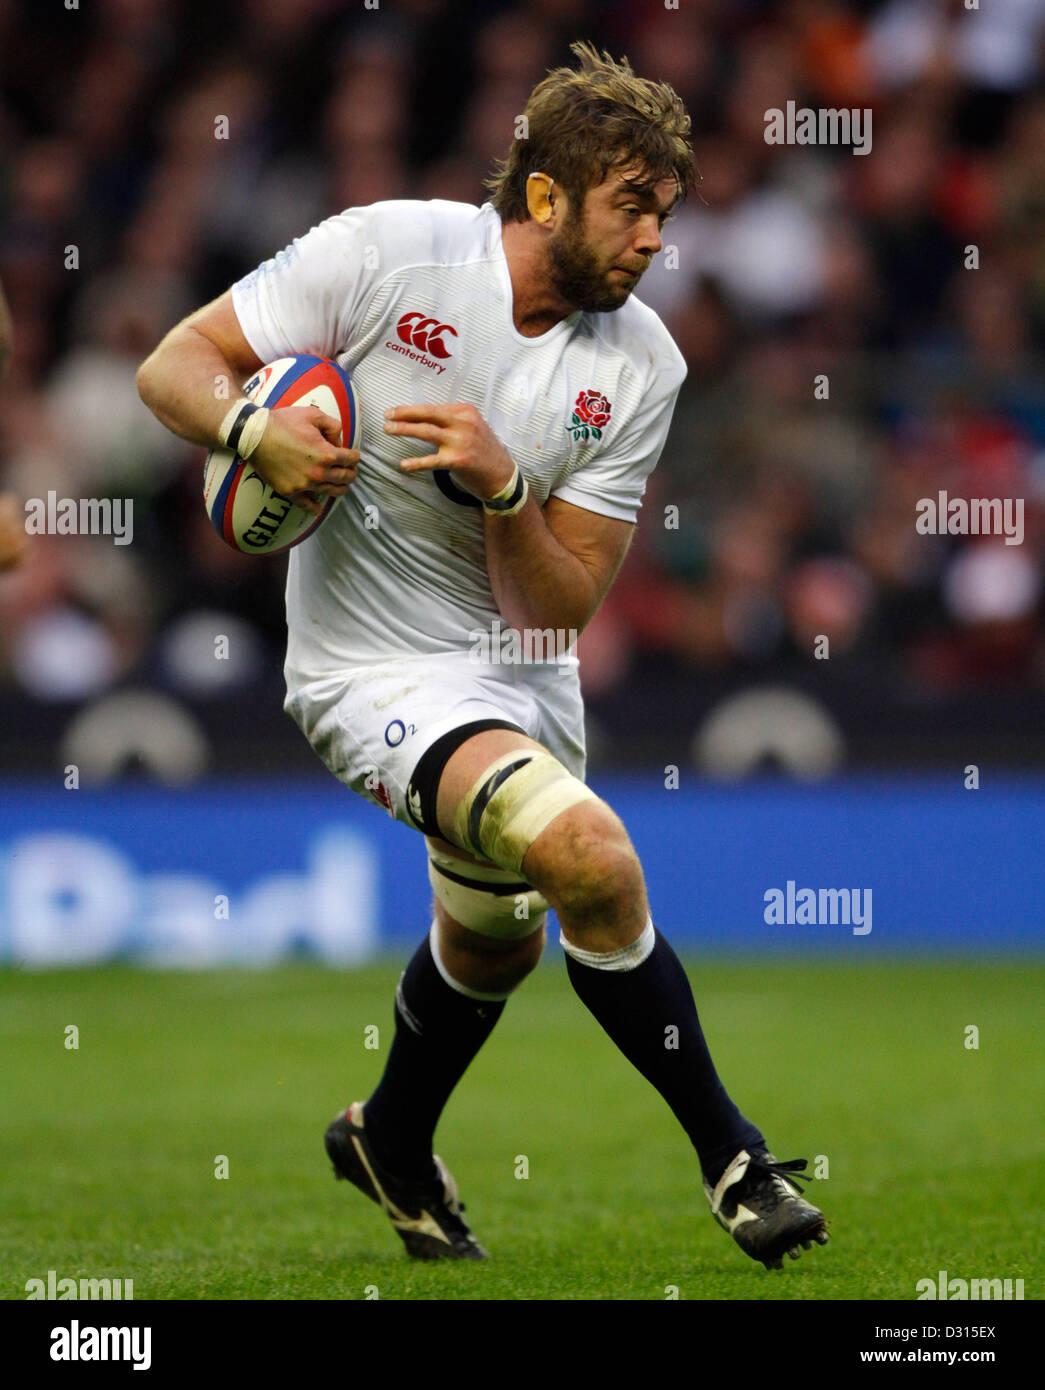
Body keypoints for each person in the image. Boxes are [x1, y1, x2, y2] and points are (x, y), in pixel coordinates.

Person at [137, 42, 828, 1271]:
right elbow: (171, 364)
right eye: (632, 209)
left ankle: (391, 1137)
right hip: (365, 673)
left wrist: (509, 490)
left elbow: (556, 613)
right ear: (547, 196)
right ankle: (735, 1159)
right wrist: (259, 433)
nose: (653, 242)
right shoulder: (385, 249)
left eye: (666, 215)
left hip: (516, 680)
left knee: (497, 941)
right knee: (590, 857)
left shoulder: (641, 365)